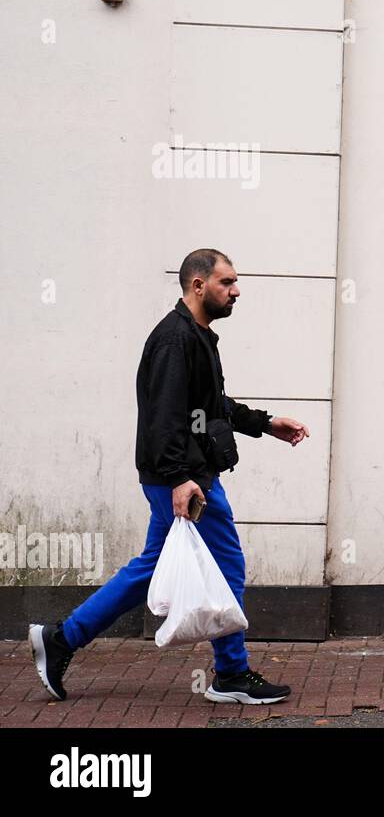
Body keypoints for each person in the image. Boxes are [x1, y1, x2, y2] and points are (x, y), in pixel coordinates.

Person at [29, 248, 311, 702]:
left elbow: (208, 408)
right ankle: (231, 674)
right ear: (198, 285)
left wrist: (265, 423)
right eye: (227, 282)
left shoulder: (197, 337)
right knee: (227, 564)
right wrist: (181, 478)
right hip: (183, 478)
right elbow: (162, 417)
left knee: (147, 570)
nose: (236, 291)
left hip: (182, 475)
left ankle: (61, 639)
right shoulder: (173, 340)